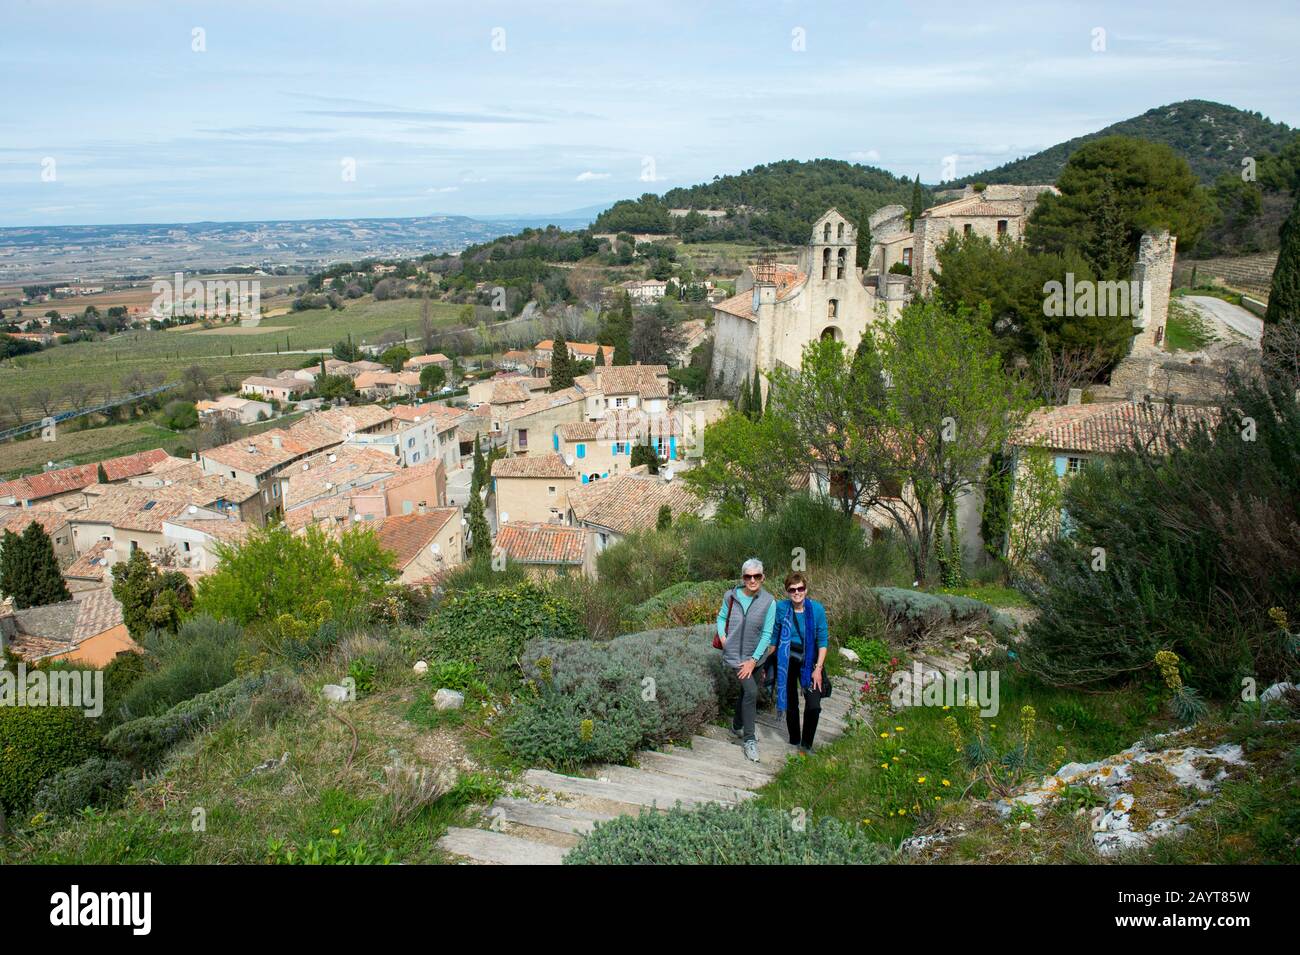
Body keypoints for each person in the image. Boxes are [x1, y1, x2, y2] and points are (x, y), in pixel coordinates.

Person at [715, 557, 776, 762]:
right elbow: (722, 617)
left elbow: (767, 634)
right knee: (751, 691)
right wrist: (724, 639)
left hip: (756, 658)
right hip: (735, 656)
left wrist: (753, 660)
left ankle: (736, 725)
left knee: (745, 691)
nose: (752, 580)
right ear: (743, 577)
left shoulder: (769, 602)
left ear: (763, 577)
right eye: (748, 576)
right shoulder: (731, 596)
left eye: (756, 576)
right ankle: (749, 740)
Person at [773, 571, 829, 754]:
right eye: (792, 589)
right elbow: (774, 636)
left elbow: (823, 641)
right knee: (791, 702)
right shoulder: (781, 608)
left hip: (810, 660)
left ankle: (807, 744)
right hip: (787, 660)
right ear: (787, 591)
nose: (797, 592)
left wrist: (818, 669)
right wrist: (762, 662)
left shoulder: (817, 609)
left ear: (806, 589)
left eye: (800, 588)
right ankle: (795, 740)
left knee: (814, 705)